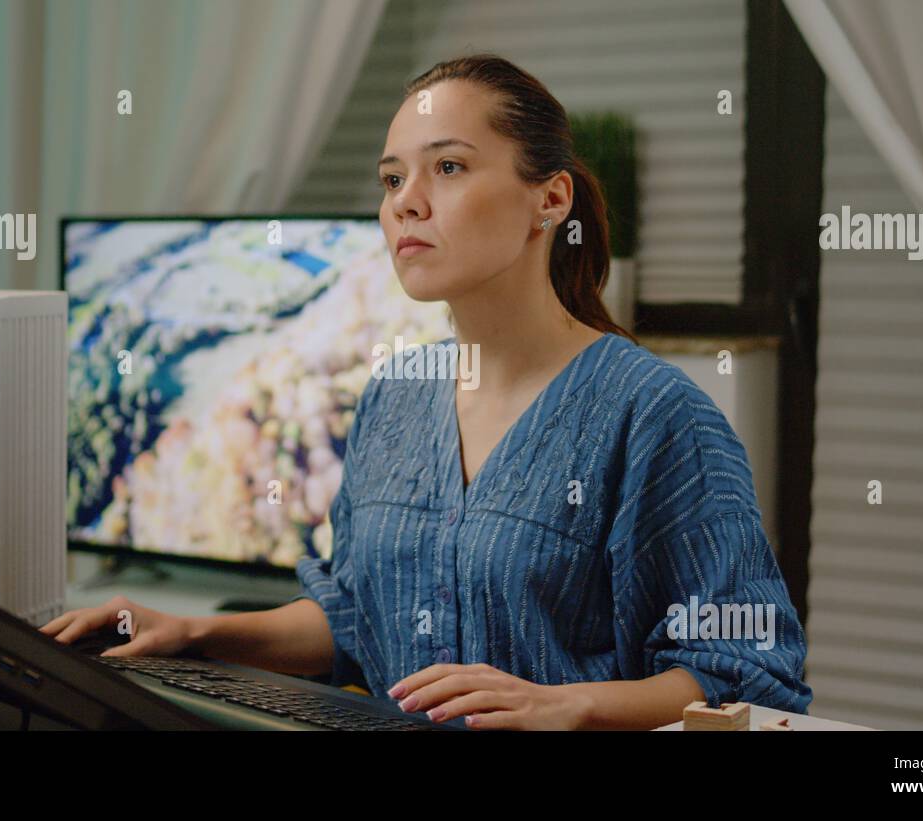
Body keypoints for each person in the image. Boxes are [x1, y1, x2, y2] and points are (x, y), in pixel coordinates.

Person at [42, 53, 812, 730]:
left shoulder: (654, 415)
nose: (406, 200)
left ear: (550, 200)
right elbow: (352, 621)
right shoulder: (394, 397)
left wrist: (565, 706)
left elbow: (742, 670)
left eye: (447, 167)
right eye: (391, 178)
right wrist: (194, 632)